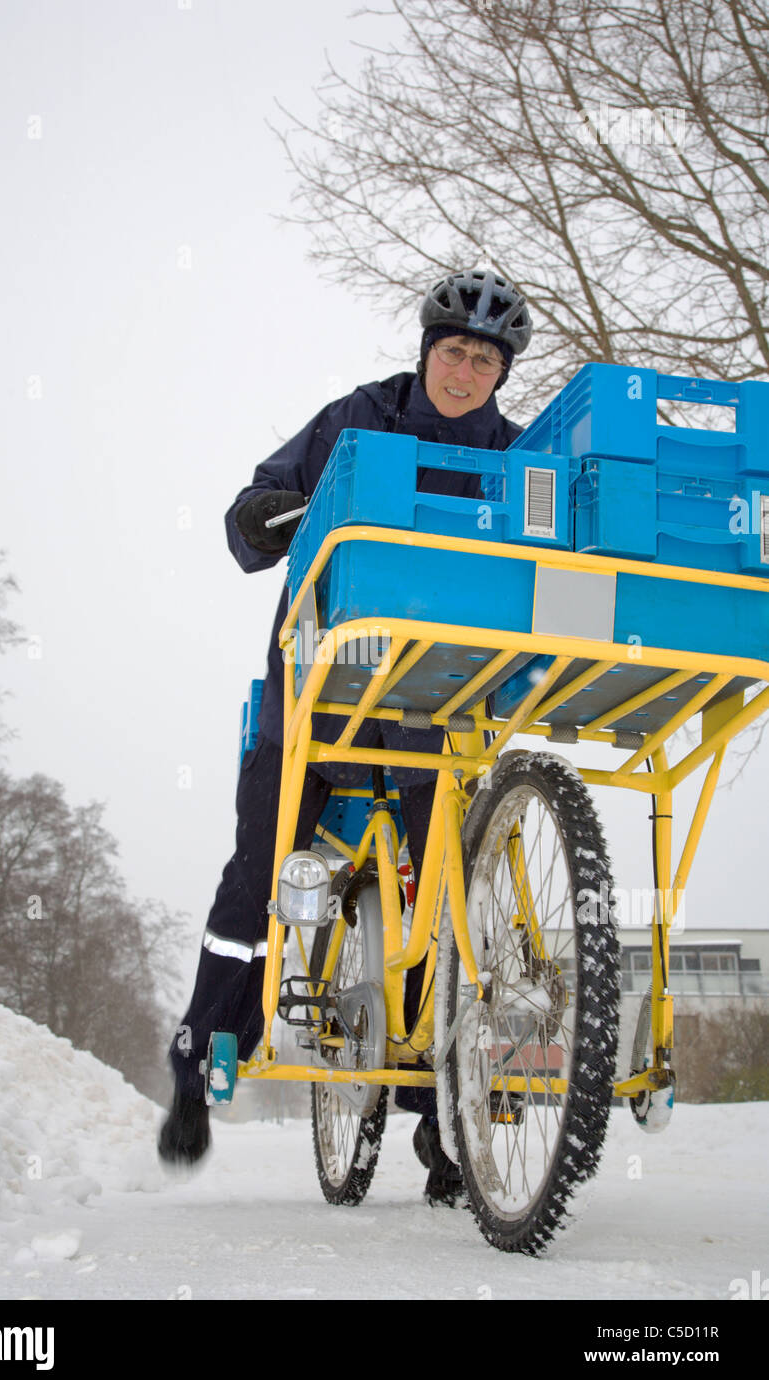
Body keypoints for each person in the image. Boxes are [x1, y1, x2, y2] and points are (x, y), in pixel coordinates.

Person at [159, 269, 532, 1203]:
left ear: (501, 374)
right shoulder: (359, 418)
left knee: (443, 897)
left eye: (485, 360)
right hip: (322, 685)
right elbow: (261, 507)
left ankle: (443, 1119)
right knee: (263, 869)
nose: (465, 371)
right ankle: (204, 1057)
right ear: (427, 351)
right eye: (454, 351)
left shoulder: (520, 459)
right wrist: (261, 513)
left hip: (436, 705)